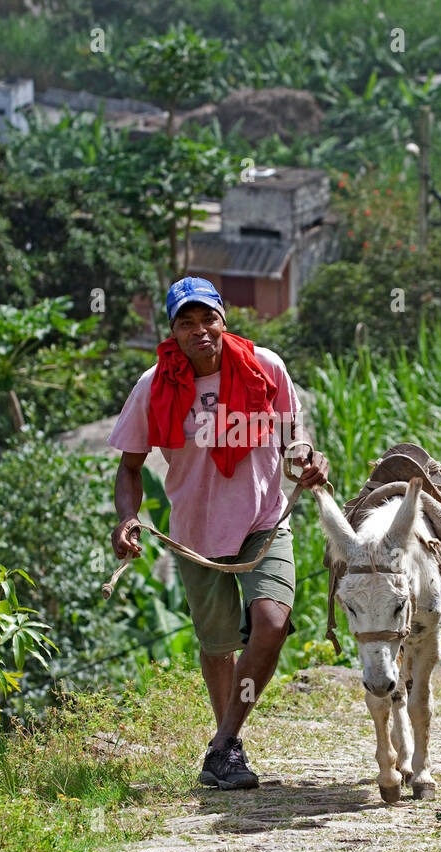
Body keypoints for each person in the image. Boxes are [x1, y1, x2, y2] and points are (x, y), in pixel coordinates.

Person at [107, 276, 329, 789]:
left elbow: (294, 443)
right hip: (195, 535)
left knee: (271, 624)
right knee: (219, 646)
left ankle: (225, 741)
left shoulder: (265, 368)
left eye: (208, 318)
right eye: (186, 323)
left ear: (223, 319)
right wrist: (127, 518)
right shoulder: (153, 386)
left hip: (263, 521)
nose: (200, 330)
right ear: (174, 332)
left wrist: (307, 463)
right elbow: (131, 467)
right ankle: (229, 748)